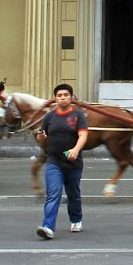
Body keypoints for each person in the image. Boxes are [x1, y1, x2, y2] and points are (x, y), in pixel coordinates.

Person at [35, 84, 89, 239]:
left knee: (73, 194)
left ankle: (76, 219)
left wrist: (76, 150)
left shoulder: (78, 115)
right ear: (55, 98)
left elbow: (83, 135)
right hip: (54, 161)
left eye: (66, 95)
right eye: (59, 95)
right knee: (53, 194)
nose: (63, 98)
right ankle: (48, 227)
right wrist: (41, 138)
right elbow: (42, 136)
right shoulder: (49, 117)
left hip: (73, 162)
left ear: (71, 97)